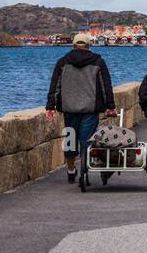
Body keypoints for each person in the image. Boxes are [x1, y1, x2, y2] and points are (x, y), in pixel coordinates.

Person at [45, 33, 116, 182]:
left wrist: (50, 106)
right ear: (89, 45)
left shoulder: (62, 62)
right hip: (90, 109)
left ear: (73, 45)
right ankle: (85, 172)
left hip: (69, 109)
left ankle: (71, 170)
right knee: (86, 141)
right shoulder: (98, 62)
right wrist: (110, 106)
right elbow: (106, 86)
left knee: (70, 140)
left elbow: (55, 85)